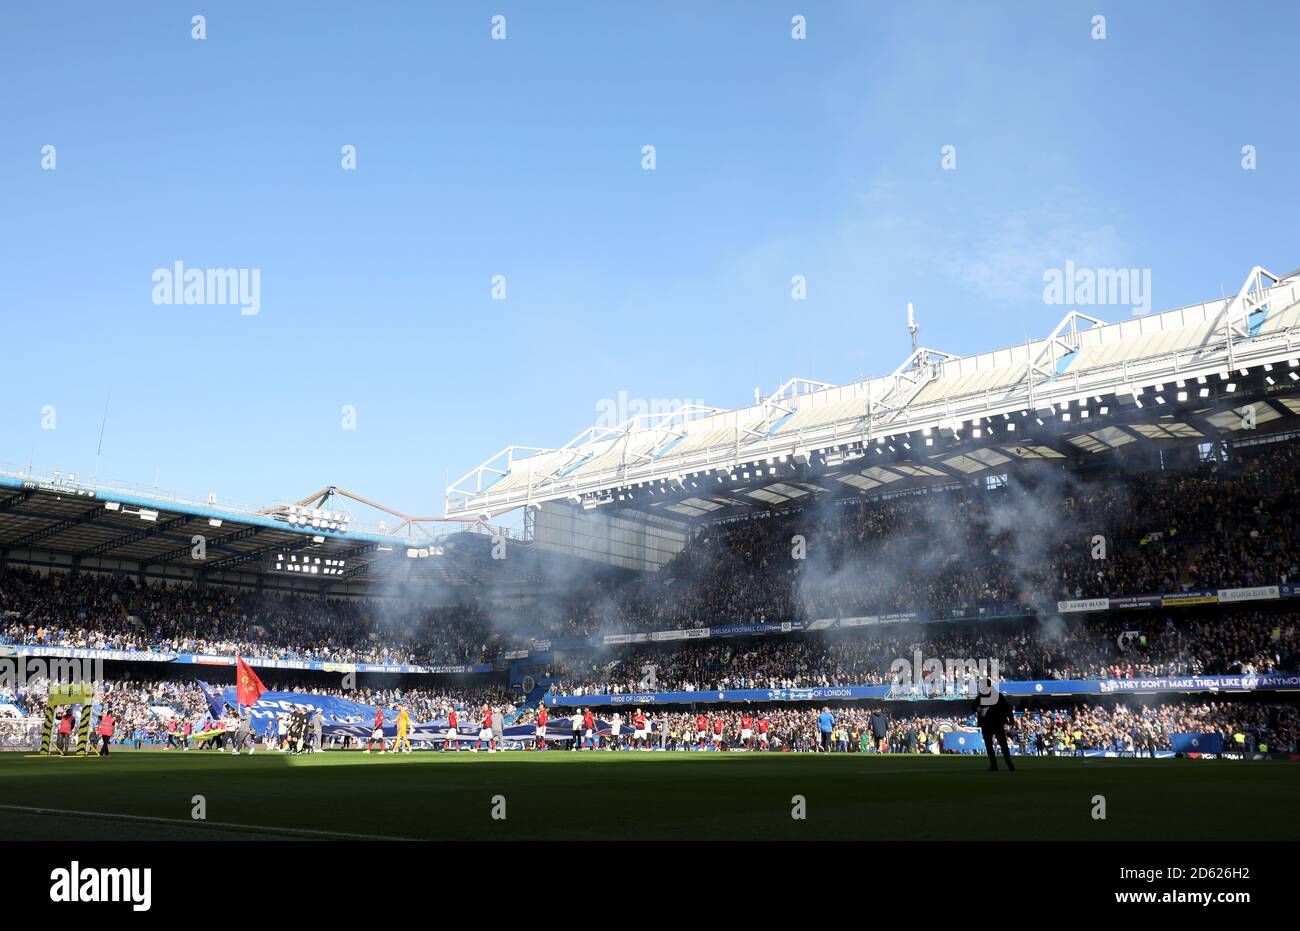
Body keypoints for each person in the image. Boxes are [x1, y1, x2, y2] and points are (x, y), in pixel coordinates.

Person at [974, 678, 1015, 772]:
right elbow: (1007, 709)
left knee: (991, 745)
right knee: (1002, 745)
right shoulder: (996, 695)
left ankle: (995, 765)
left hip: (991, 724)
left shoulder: (985, 696)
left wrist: (977, 708)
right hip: (996, 723)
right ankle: (1008, 764)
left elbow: (1007, 709)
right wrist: (1011, 721)